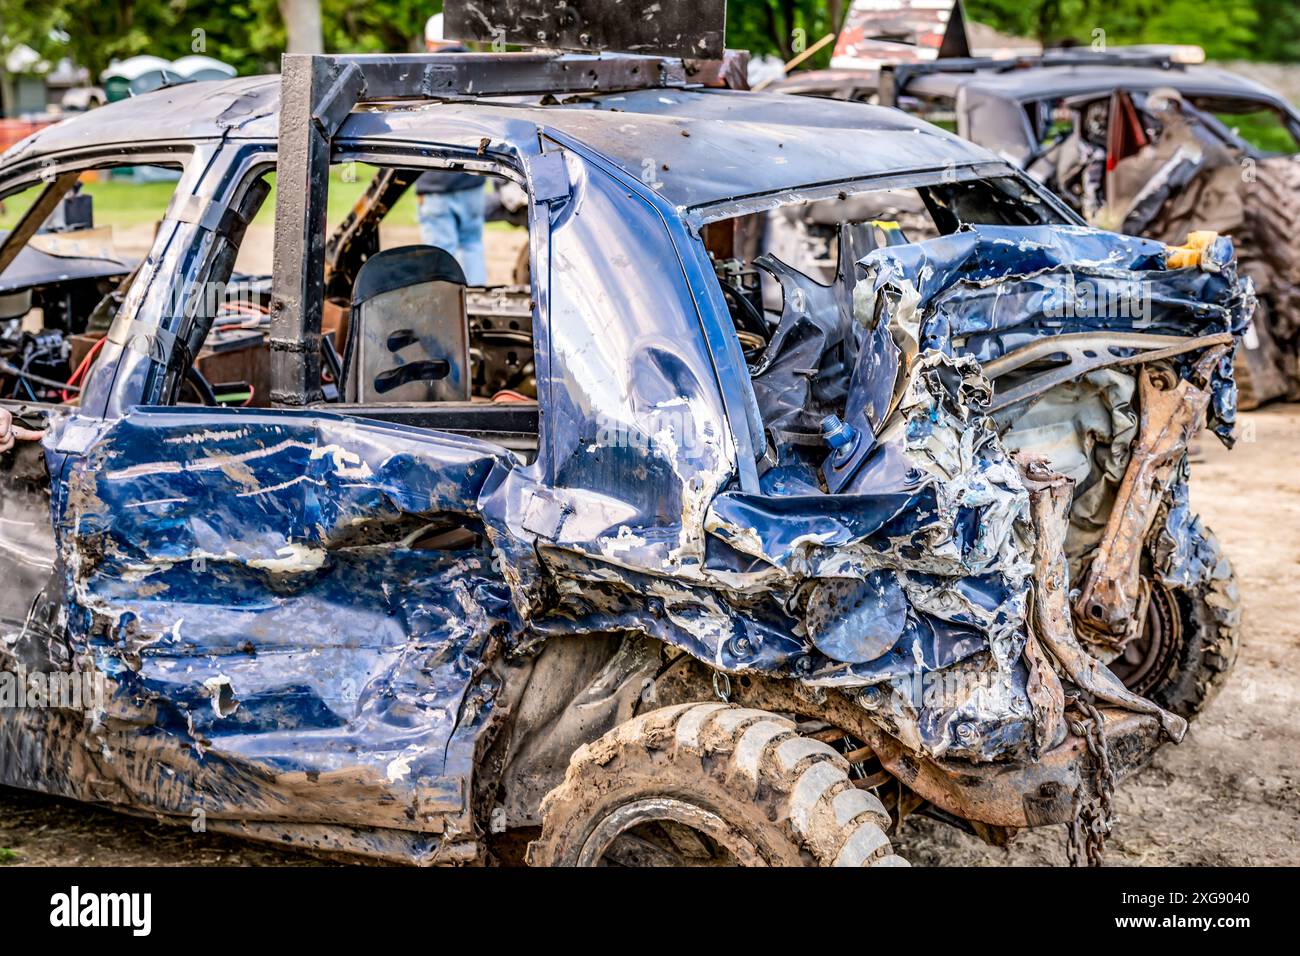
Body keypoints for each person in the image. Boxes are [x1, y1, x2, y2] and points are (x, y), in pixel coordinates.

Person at [414, 14, 487, 285]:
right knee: (472, 246)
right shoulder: (478, 70)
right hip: (472, 180)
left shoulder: (420, 71)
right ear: (457, 37)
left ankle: (448, 311)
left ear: (429, 42)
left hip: (434, 183)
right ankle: (477, 301)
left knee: (440, 255)